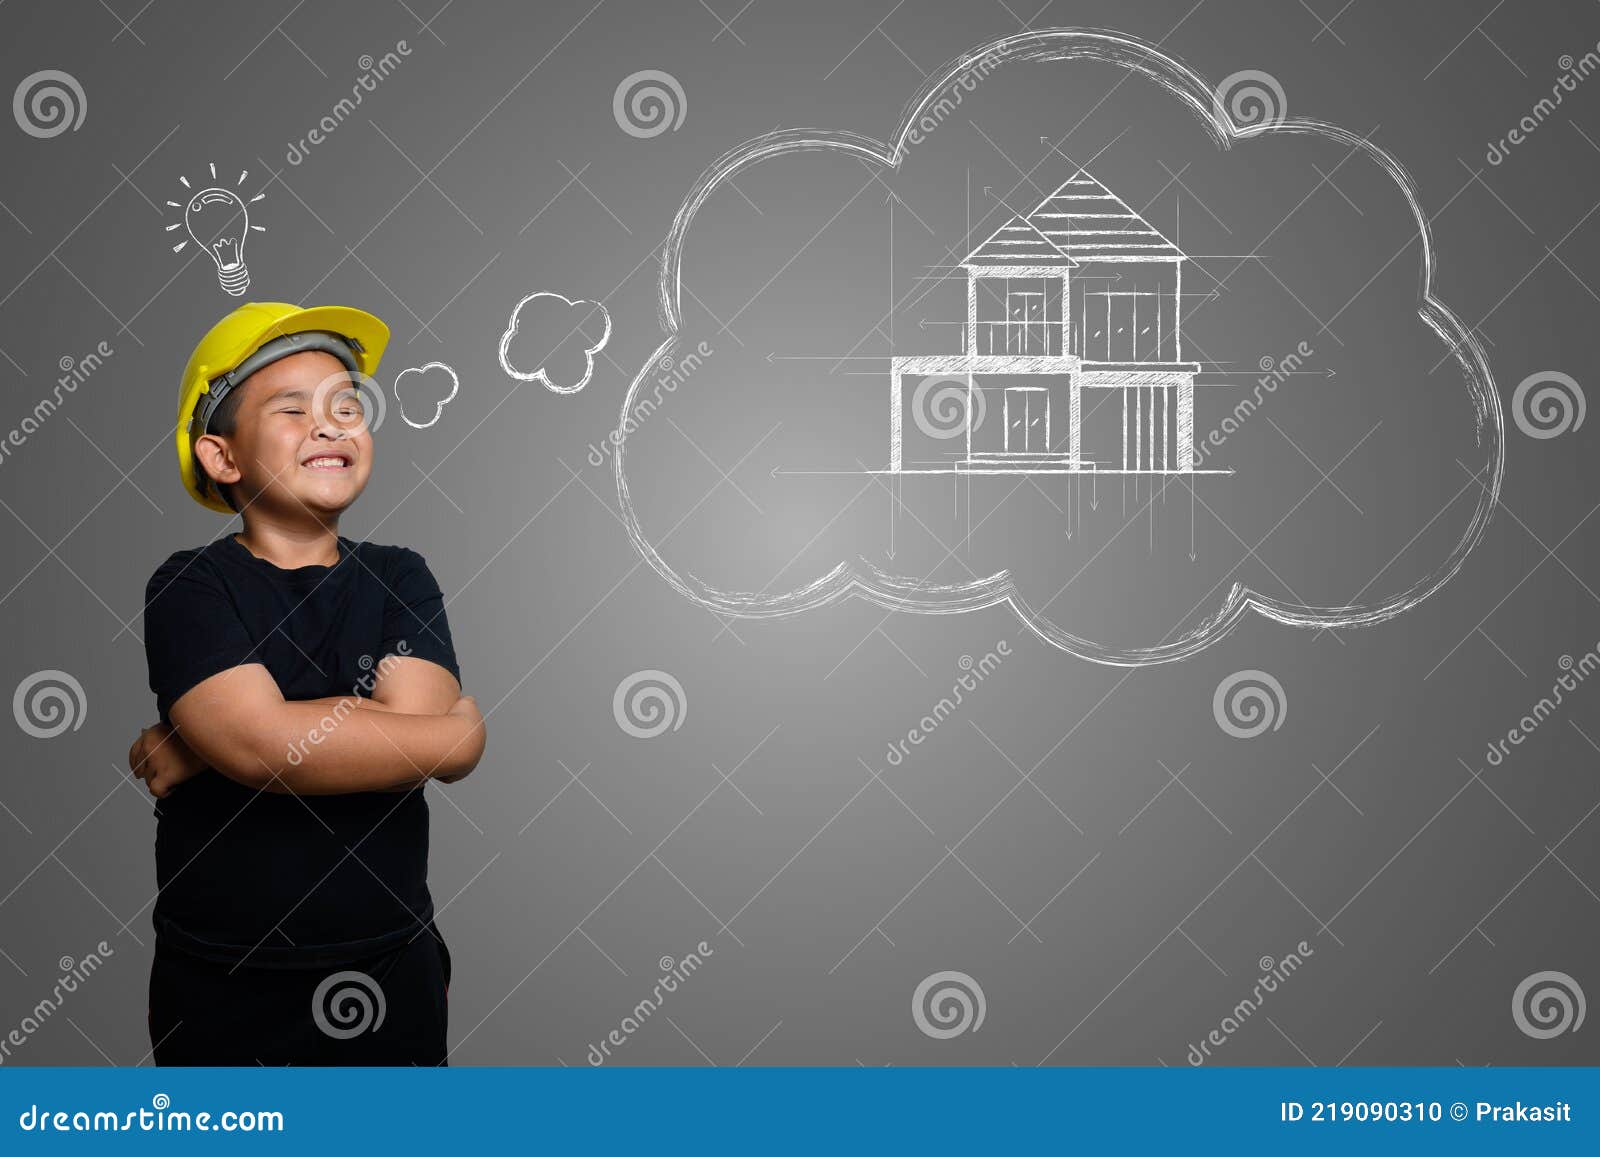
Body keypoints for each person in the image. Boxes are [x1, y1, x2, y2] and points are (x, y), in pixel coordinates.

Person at [126, 302, 486, 1065]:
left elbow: (403, 717)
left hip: (389, 967)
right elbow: (272, 749)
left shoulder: (399, 575)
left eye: (347, 407)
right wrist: (454, 740)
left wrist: (208, 741)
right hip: (226, 978)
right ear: (224, 458)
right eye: (293, 410)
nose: (330, 425)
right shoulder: (192, 583)